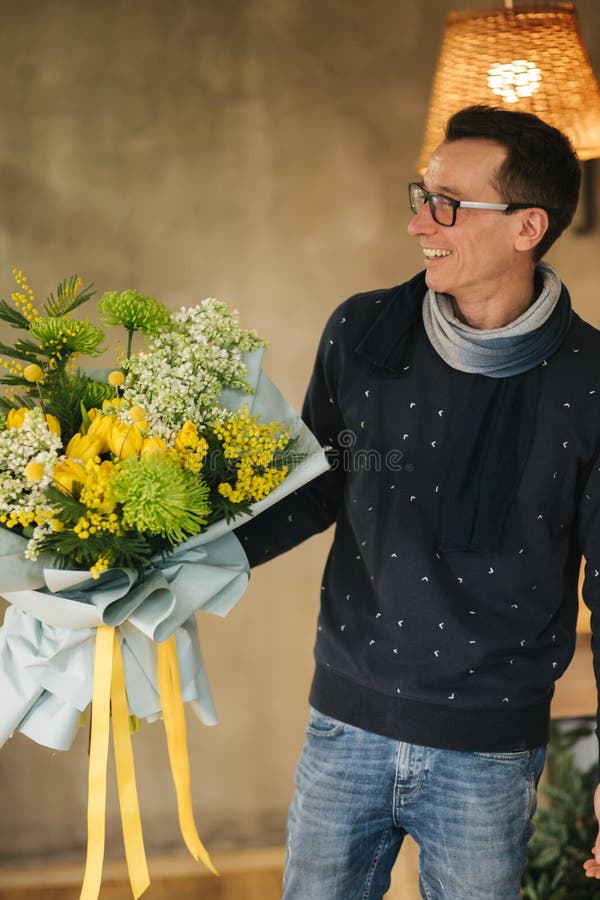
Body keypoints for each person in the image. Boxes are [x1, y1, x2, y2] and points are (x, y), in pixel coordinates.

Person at [236, 104, 600, 899]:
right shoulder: (363, 330)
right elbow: (312, 486)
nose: (418, 224)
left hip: (488, 751)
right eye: (421, 196)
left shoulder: (590, 381)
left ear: (527, 227)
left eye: (448, 204)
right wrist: (161, 561)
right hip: (344, 726)